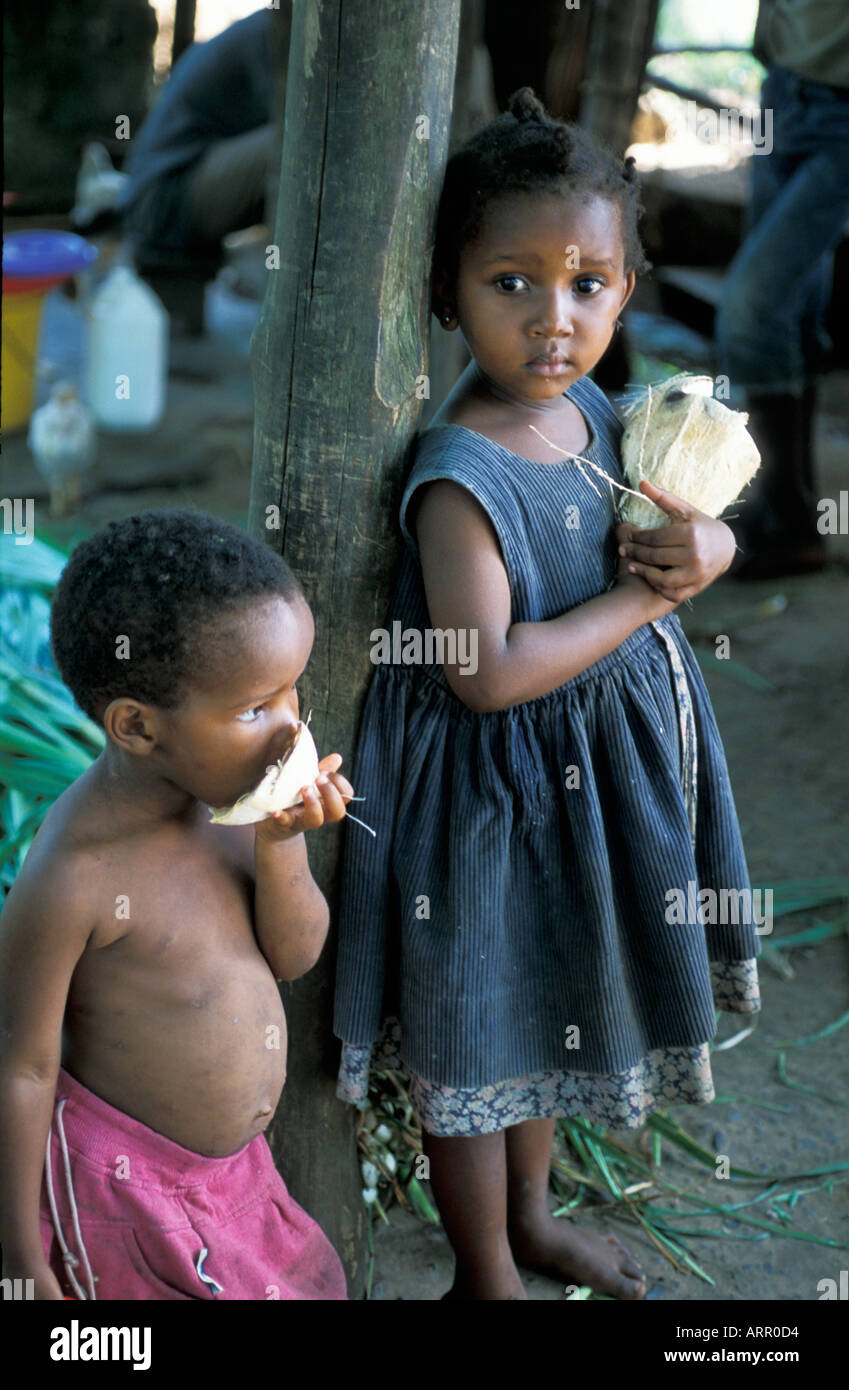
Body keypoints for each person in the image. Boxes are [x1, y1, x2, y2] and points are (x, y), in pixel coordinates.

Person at [333, 88, 762, 1301]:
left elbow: (679, 511)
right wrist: (647, 605)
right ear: (446, 290)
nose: (553, 320)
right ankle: (484, 1271)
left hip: (574, 798)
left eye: (588, 284)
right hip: (487, 810)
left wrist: (712, 549)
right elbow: (484, 673)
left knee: (553, 1018)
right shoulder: (462, 473)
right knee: (482, 1028)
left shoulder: (588, 412)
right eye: (510, 283)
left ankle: (533, 1216)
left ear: (627, 290)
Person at [0, 510, 351, 1300]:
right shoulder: (76, 876)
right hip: (122, 1202)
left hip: (234, 1183)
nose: (291, 726)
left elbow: (294, 954)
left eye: (291, 689)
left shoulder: (227, 802)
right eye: (255, 707)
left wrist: (279, 842)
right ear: (136, 726)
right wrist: (22, 1259)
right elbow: (21, 1065)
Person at [715, 0, 849, 579]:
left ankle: (788, 512)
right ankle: (794, 519)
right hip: (786, 94)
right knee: (789, 309)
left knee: (750, 308)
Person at [118, 9, 280, 287]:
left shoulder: (261, 28)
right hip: (164, 199)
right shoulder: (273, 32)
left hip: (166, 196)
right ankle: (285, 283)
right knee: (295, 141)